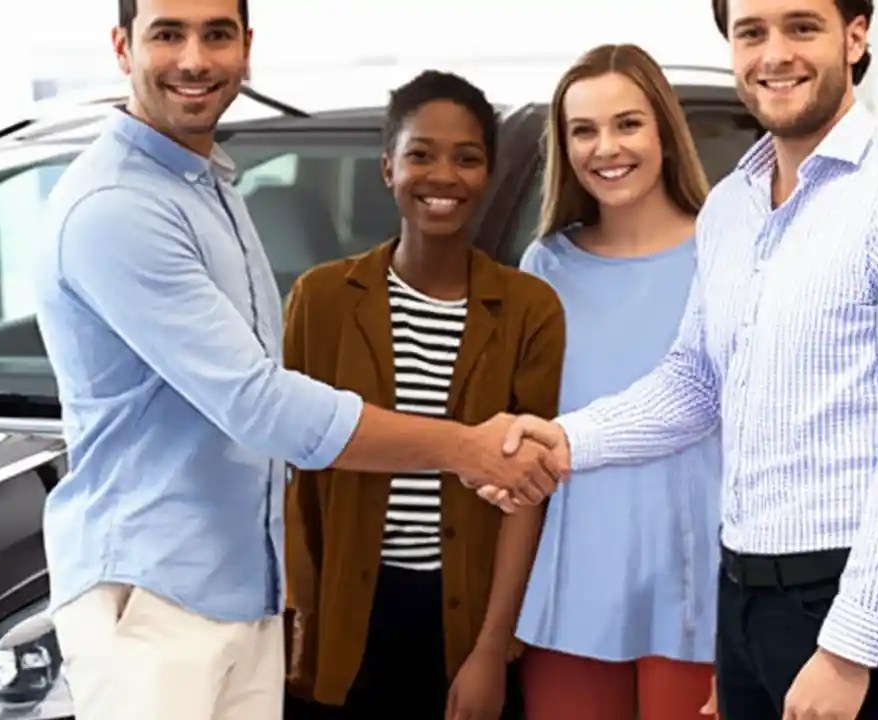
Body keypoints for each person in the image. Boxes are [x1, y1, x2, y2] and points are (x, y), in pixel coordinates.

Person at [31, 2, 559, 719]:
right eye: (168, 34)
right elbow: (260, 404)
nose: (194, 59)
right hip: (153, 600)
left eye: (217, 34)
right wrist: (464, 446)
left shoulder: (207, 187)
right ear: (123, 48)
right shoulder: (117, 205)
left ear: (247, 48)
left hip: (236, 596)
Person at [491, 0, 878, 718]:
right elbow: (695, 382)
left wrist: (847, 650)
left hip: (860, 605)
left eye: (802, 26)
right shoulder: (733, 208)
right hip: (746, 599)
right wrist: (569, 440)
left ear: (855, 37)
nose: (774, 54)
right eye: (751, 32)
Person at [280, 70, 563, 720]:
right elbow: (294, 475)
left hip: (462, 616)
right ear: (388, 168)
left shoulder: (528, 308)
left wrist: (492, 648)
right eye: (420, 154)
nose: (444, 176)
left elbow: (528, 491)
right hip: (344, 617)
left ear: (488, 174)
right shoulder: (320, 301)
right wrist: (300, 617)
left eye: (467, 158)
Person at [510, 44, 722, 720]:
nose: (607, 147)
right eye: (584, 130)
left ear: (664, 129)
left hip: (700, 594)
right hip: (573, 594)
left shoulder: (726, 252)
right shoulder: (544, 267)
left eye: (627, 124)